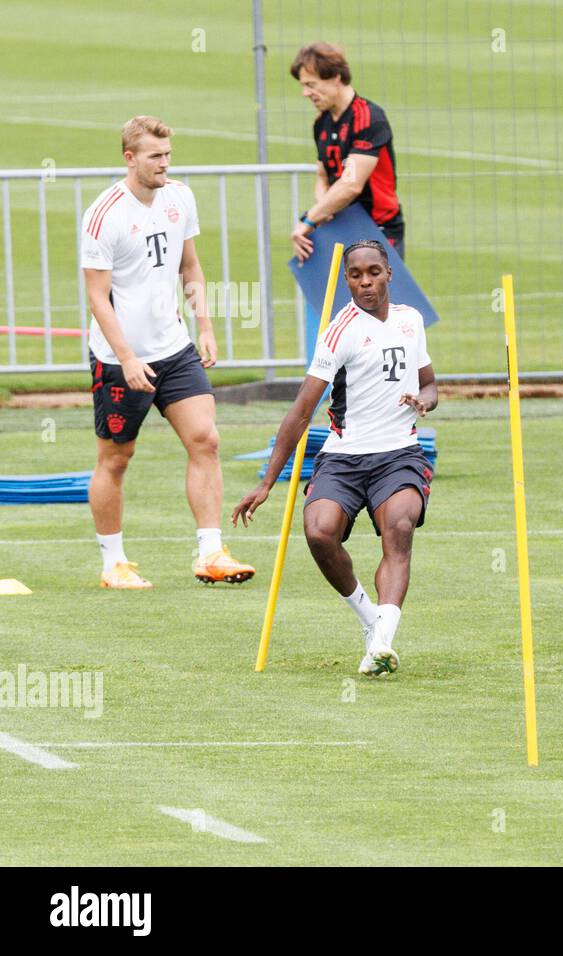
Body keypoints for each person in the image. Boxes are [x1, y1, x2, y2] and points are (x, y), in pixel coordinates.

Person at [231, 241, 436, 675]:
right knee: (320, 532)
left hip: (399, 453)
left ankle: (384, 639)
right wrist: (267, 481)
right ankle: (371, 622)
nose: (365, 282)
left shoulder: (410, 321)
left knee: (398, 527)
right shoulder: (339, 331)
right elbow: (302, 410)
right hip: (343, 457)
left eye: (374, 272)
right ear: (346, 279)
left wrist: (423, 400)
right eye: (355, 275)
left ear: (389, 274)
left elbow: (431, 385)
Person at [81, 115, 255, 590]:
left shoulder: (180, 196)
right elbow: (98, 298)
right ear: (129, 158)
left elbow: (190, 265)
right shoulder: (104, 214)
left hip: (175, 349)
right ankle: (113, 563)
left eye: (168, 154)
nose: (164, 163)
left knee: (207, 440)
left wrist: (205, 326)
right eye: (155, 156)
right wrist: (128, 357)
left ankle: (210, 552)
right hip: (120, 359)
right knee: (116, 458)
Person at [289, 43, 405, 262]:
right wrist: (325, 211)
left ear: (335, 77)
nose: (305, 93)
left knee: (376, 297)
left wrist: (309, 220)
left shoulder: (368, 118)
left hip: (377, 234)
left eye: (311, 85)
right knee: (327, 297)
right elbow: (323, 176)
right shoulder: (321, 122)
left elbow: (351, 184)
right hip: (339, 231)